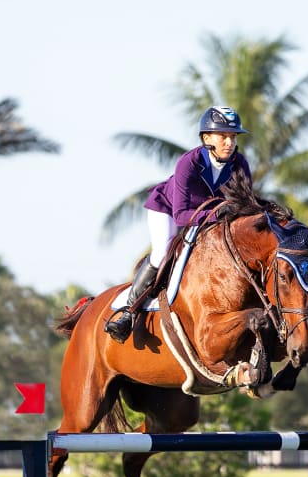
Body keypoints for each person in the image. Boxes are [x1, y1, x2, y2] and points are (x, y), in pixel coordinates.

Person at [104, 105, 253, 342]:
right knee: (163, 252)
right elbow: (182, 215)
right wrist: (218, 215)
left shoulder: (240, 164)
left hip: (209, 219)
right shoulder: (189, 162)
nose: (229, 142)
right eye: (223, 136)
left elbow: (245, 205)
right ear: (207, 138)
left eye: (233, 137)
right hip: (166, 209)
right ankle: (128, 313)